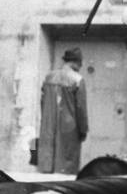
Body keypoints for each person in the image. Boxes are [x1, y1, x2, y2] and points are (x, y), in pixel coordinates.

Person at [37, 46, 89, 174]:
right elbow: (81, 109)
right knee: (66, 167)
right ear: (76, 62)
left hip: (48, 126)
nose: (81, 66)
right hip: (70, 129)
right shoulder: (77, 80)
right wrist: (83, 129)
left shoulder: (49, 77)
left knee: (47, 166)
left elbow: (42, 103)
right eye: (80, 62)